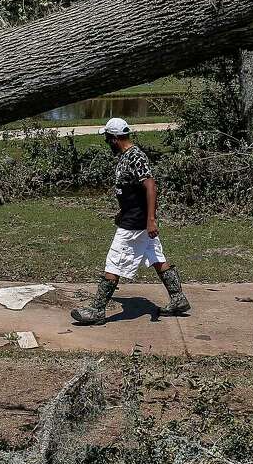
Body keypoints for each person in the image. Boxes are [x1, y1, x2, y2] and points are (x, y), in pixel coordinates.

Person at [71, 118, 191, 325]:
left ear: (115, 138)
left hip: (135, 223)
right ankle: (178, 299)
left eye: (108, 138)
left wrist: (151, 219)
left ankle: (97, 310)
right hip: (132, 216)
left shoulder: (136, 156)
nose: (107, 142)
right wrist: (122, 211)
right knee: (156, 256)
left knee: (114, 260)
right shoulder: (126, 156)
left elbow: (150, 186)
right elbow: (132, 190)